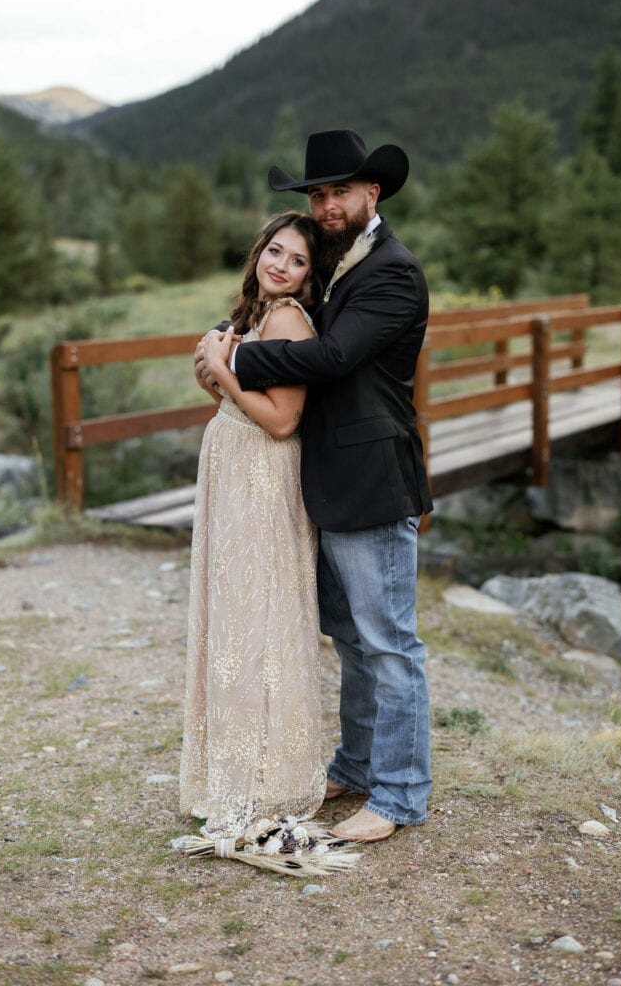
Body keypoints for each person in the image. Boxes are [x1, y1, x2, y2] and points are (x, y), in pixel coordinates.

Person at [203, 129, 434, 843]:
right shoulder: (335, 268)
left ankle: (397, 798)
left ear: (373, 193)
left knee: (388, 644)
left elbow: (329, 356)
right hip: (324, 482)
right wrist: (226, 338)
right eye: (318, 194)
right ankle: (356, 767)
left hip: (371, 480)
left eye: (341, 191)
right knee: (353, 640)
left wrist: (231, 354)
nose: (328, 204)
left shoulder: (390, 272)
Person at [179, 210, 327, 845]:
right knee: (234, 621)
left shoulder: (290, 318)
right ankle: (235, 767)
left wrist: (227, 368)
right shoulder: (253, 316)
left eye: (297, 261)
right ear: (259, 252)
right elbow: (238, 398)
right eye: (275, 251)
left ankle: (267, 776)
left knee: (256, 620)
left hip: (263, 479)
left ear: (308, 275)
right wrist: (211, 368)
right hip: (233, 477)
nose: (281, 267)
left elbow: (282, 420)